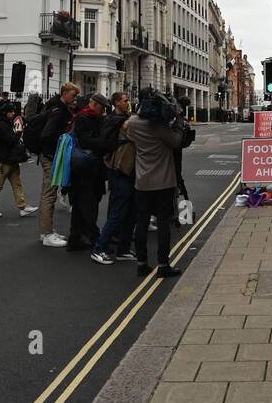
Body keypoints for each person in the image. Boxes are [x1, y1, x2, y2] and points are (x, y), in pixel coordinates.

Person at [124, 89, 185, 279]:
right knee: (163, 223)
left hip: (142, 182)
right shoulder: (160, 128)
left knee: (141, 221)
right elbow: (177, 141)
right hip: (163, 182)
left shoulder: (133, 124)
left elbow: (130, 136)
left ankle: (142, 263)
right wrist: (179, 120)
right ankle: (163, 264)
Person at [27, 81, 78, 247]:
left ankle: (46, 231)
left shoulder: (56, 108)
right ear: (64, 93)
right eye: (73, 95)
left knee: (47, 193)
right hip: (50, 156)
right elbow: (47, 135)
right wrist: (56, 149)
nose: (74, 98)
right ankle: (47, 234)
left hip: (48, 155)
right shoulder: (58, 112)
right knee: (49, 193)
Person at [91, 92, 136, 264]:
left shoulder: (125, 119)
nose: (128, 103)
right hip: (119, 171)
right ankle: (99, 248)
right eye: (125, 101)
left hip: (129, 171)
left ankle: (123, 249)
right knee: (117, 212)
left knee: (131, 212)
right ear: (117, 102)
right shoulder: (115, 121)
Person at [67, 94, 110, 252]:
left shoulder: (90, 117)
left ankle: (76, 238)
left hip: (89, 168)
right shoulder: (84, 118)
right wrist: (105, 143)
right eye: (102, 107)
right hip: (86, 169)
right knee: (87, 205)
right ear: (94, 104)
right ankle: (90, 237)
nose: (103, 111)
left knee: (82, 205)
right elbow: (86, 141)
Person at [0, 102, 37, 218]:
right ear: (5, 113)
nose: (13, 113)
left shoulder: (7, 124)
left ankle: (22, 207)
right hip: (4, 160)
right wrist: (18, 133)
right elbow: (10, 140)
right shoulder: (2, 126)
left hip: (11, 159)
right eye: (11, 111)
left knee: (17, 184)